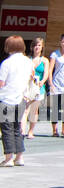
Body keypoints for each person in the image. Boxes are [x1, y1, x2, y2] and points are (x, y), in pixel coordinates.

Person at [1, 35, 35, 167]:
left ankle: (8, 158)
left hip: (6, 99)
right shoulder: (28, 62)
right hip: (21, 98)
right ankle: (19, 157)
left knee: (6, 129)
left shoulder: (6, 63)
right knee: (17, 128)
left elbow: (2, 83)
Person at [22, 37, 49, 139]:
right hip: (28, 87)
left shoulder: (45, 60)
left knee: (34, 110)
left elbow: (46, 73)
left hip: (38, 88)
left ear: (42, 47)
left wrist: (42, 81)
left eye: (39, 45)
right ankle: (22, 130)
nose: (37, 47)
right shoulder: (27, 60)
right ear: (32, 47)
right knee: (25, 109)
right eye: (35, 45)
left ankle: (30, 131)